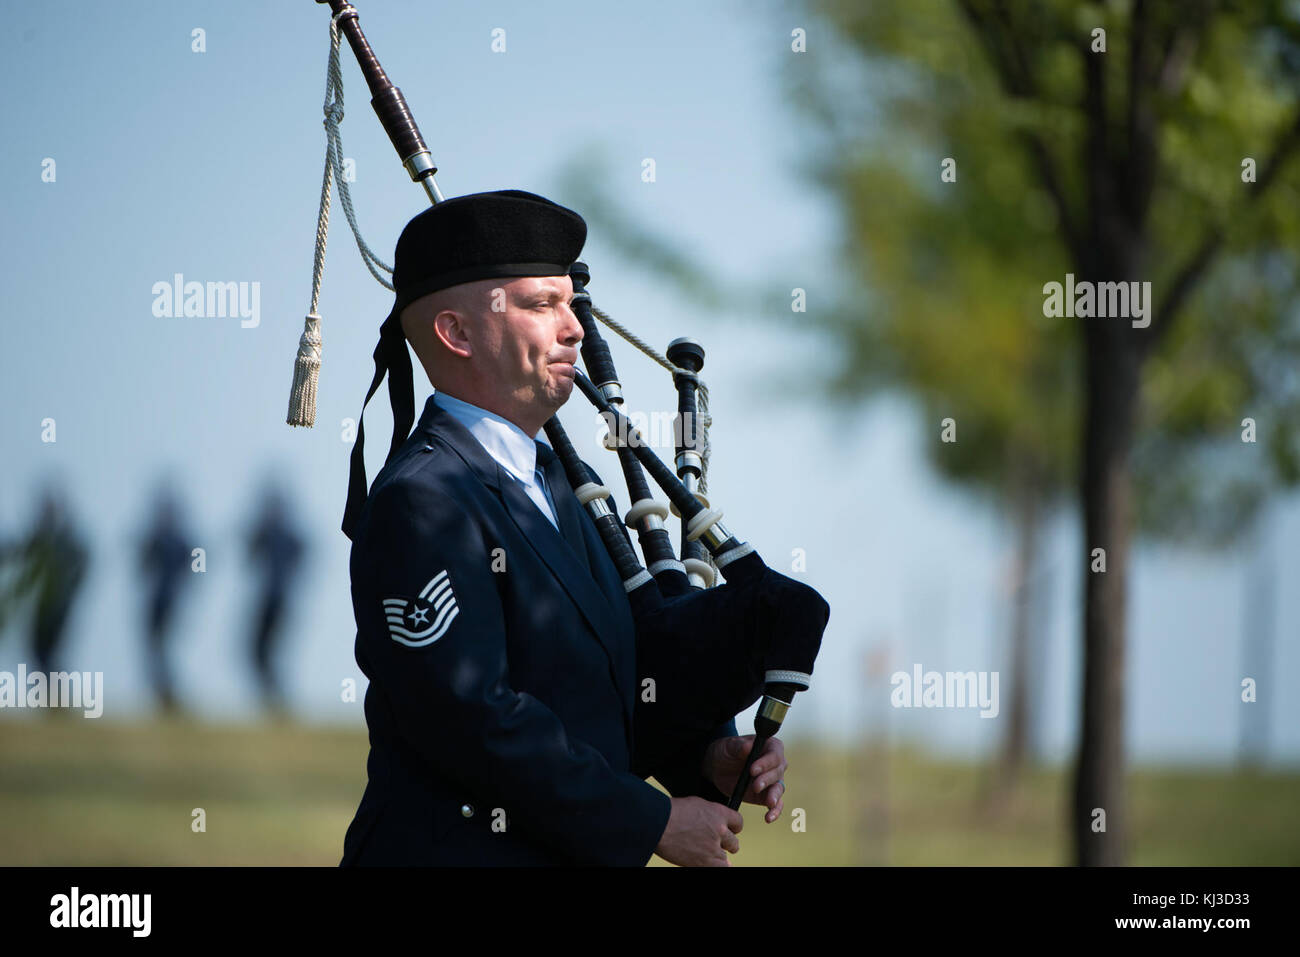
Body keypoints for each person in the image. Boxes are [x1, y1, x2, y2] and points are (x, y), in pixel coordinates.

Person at [338, 189, 790, 867]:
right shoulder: (421, 501)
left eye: (570, 303)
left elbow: (604, 689)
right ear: (456, 333)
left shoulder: (554, 485)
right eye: (540, 304)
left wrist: (705, 754)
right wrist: (651, 820)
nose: (574, 327)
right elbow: (475, 721)